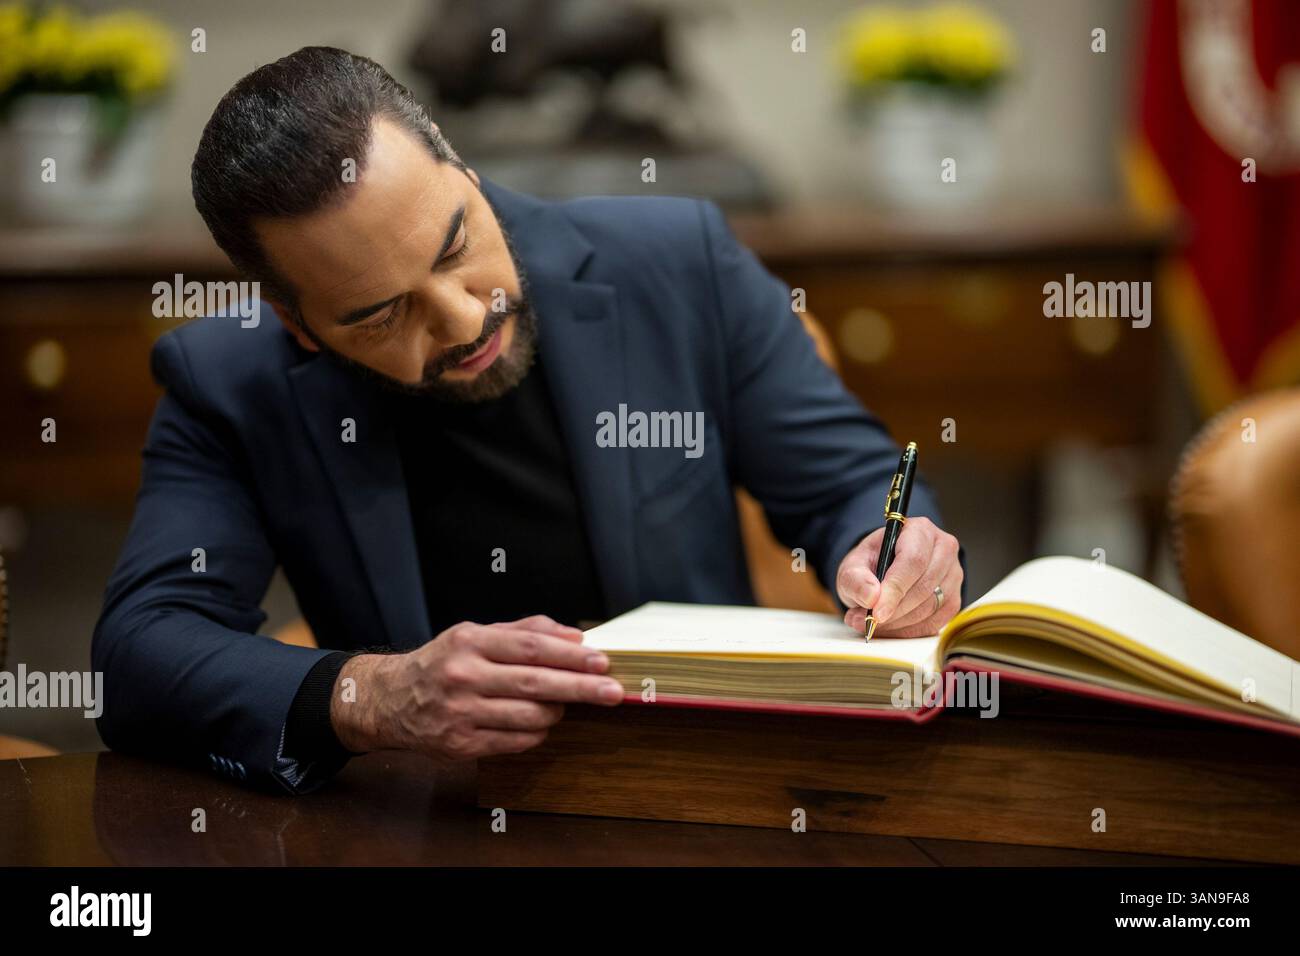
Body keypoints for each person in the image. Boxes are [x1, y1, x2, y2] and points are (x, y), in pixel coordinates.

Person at [93, 47, 964, 794]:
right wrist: (376, 695)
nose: (467, 321)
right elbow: (140, 651)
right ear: (300, 326)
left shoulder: (676, 263)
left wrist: (890, 547)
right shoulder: (231, 381)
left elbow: (850, 482)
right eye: (381, 315)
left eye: (455, 246)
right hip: (431, 818)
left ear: (464, 173)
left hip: (712, 791)